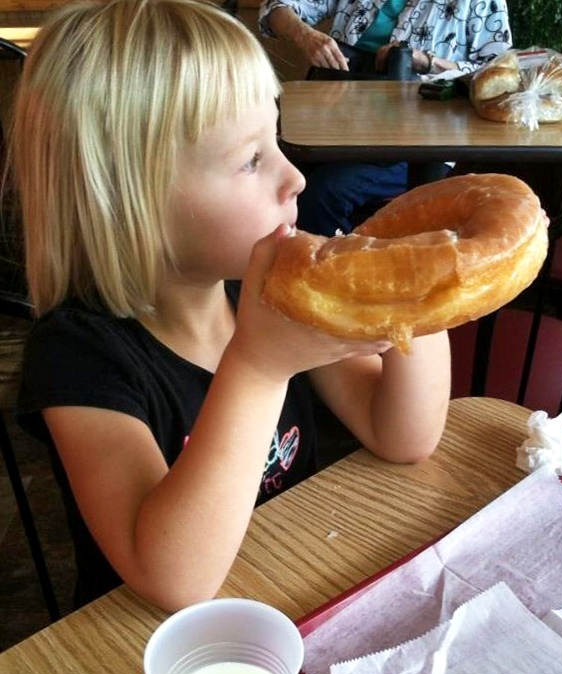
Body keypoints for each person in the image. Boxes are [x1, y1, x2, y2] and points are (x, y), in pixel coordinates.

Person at [10, 0, 451, 612]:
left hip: (292, 591)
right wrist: (259, 367)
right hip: (157, 664)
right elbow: (173, 578)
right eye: (251, 159)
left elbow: (402, 434)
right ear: (131, 202)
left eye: (277, 140)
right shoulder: (78, 356)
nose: (294, 177)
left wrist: (414, 298)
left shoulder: (266, 291)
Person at [259, 0, 512, 235]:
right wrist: (305, 35)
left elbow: (498, 69)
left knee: (324, 193)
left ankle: (336, 275)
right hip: (334, 122)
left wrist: (427, 61)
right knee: (270, 177)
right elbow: (275, 8)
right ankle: (265, 270)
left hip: (417, 143)